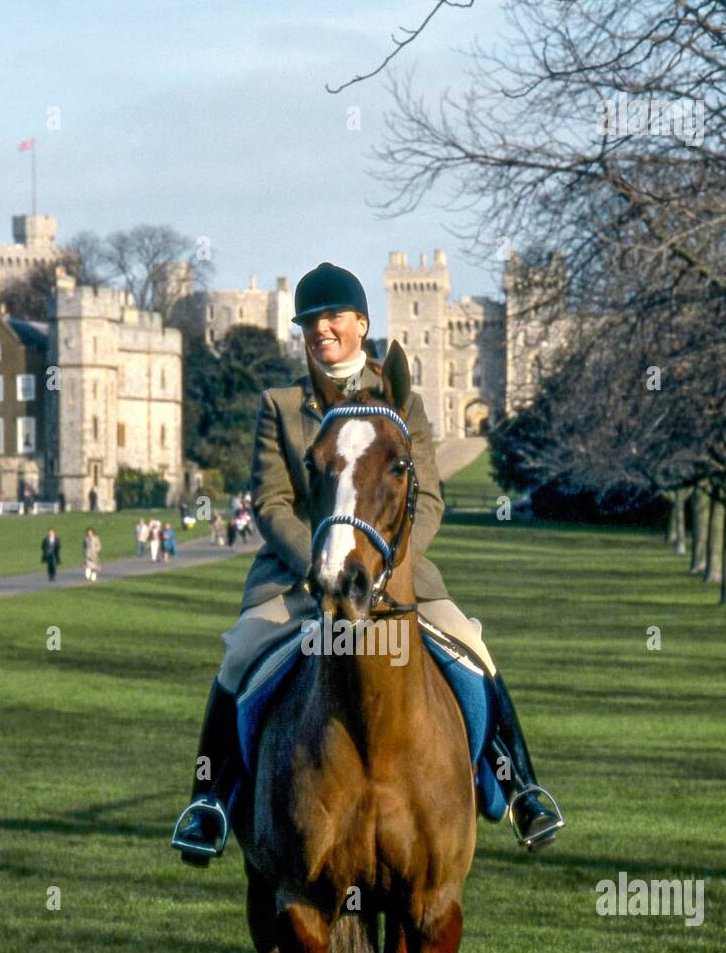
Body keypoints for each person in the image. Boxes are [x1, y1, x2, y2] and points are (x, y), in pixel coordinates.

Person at [172, 261, 563, 866]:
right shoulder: (280, 405)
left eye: (332, 318)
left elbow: (427, 498)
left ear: (362, 323)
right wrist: (324, 563)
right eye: (310, 321)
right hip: (299, 577)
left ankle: (522, 789)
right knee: (240, 653)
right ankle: (209, 803)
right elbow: (272, 503)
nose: (321, 329)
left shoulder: (404, 401)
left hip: (393, 573)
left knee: (471, 645)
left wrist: (384, 565)